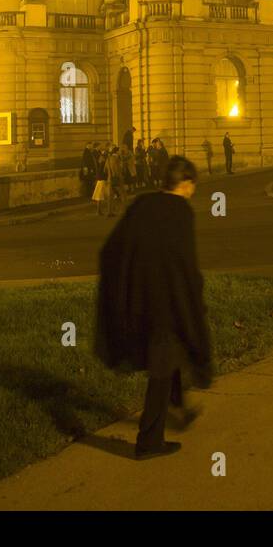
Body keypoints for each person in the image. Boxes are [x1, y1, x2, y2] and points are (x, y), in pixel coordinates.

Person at [96, 155, 213, 459]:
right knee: (162, 367)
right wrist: (194, 296)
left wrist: (128, 283)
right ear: (185, 183)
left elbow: (111, 249)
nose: (193, 191)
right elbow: (184, 262)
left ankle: (179, 406)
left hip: (139, 301)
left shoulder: (142, 205)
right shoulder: (180, 212)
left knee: (170, 357)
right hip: (167, 304)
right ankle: (148, 441)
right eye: (192, 185)